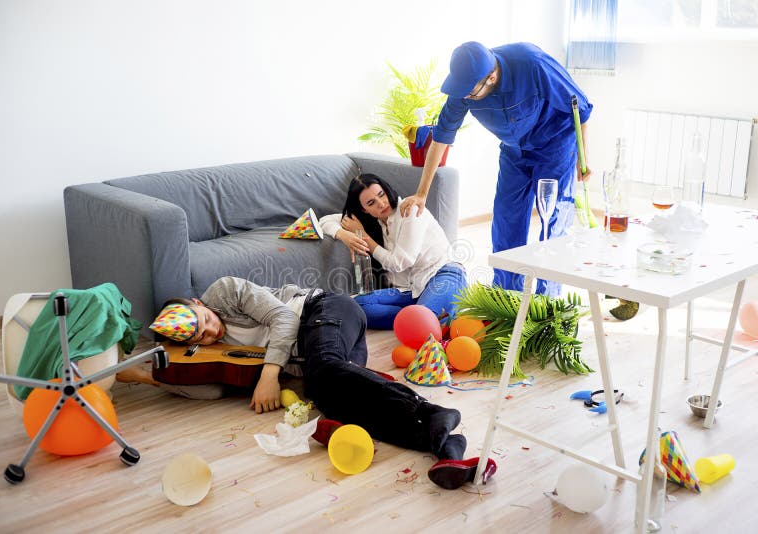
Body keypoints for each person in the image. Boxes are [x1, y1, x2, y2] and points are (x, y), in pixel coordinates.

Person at [119, 276, 496, 489]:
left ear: (197, 304)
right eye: (199, 337)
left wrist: (269, 375)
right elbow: (213, 388)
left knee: (323, 372)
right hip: (329, 361)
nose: (210, 332)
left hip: (326, 311)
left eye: (204, 322)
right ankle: (446, 446)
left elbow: (283, 318)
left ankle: (432, 410)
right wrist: (154, 380)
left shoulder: (223, 292)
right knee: (337, 399)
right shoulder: (208, 351)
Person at [400, 41, 593, 296]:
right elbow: (441, 138)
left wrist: (582, 156)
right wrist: (422, 192)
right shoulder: (465, 87)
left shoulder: (533, 64)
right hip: (514, 149)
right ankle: (507, 299)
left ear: (491, 77)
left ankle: (547, 305)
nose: (464, 97)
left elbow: (580, 107)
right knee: (505, 220)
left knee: (552, 222)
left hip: (555, 145)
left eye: (470, 92)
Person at [319, 173, 467, 329]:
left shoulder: (410, 210)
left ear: (386, 189)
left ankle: (425, 314)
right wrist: (345, 235)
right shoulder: (374, 222)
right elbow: (324, 221)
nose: (381, 203)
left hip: (443, 275)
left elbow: (400, 262)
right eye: (371, 202)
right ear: (364, 209)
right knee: (359, 305)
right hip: (412, 289)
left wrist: (365, 237)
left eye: (381, 194)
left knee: (421, 324)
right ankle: (422, 314)